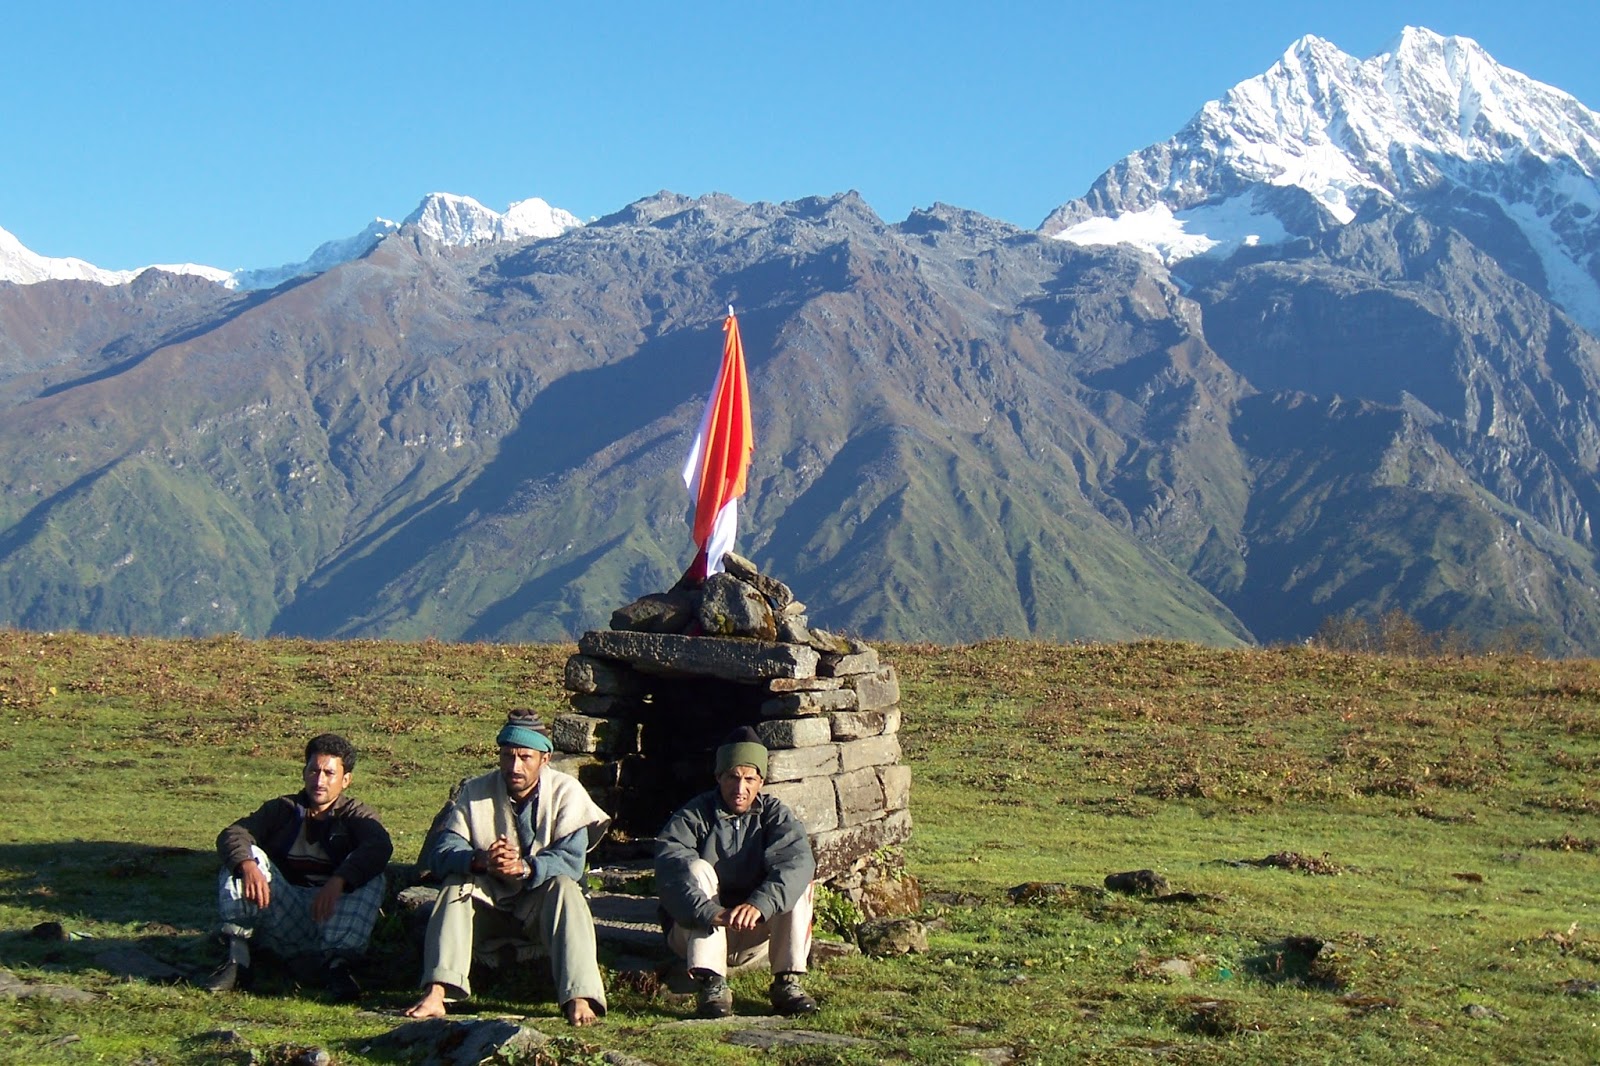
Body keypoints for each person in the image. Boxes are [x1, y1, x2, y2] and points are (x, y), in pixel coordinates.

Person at [404, 712, 610, 1027]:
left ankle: (579, 997)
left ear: (544, 759)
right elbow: (442, 852)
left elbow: (571, 860)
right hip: (489, 907)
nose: (515, 766)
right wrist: (480, 860)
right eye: (507, 756)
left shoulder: (567, 792)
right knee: (457, 884)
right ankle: (436, 992)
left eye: (525, 757)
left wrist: (525, 867)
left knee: (566, 888)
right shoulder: (475, 790)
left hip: (539, 911)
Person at [207, 733, 393, 1001]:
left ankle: (339, 967)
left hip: (333, 915)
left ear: (346, 780)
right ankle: (238, 958)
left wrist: (340, 879)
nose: (319, 781)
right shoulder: (282, 809)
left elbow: (378, 847)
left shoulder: (357, 815)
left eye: (329, 773)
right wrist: (247, 865)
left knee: (373, 877)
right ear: (304, 772)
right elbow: (234, 834)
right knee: (244, 857)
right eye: (313, 771)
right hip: (285, 911)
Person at [655, 726, 819, 1018]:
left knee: (799, 881)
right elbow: (671, 867)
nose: (740, 788)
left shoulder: (775, 815)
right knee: (696, 868)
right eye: (733, 777)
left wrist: (759, 904)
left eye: (749, 779)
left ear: (761, 782)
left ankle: (787, 981)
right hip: (697, 931)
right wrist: (710, 912)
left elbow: (797, 862)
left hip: (755, 932)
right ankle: (712, 983)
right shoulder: (693, 815)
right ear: (719, 777)